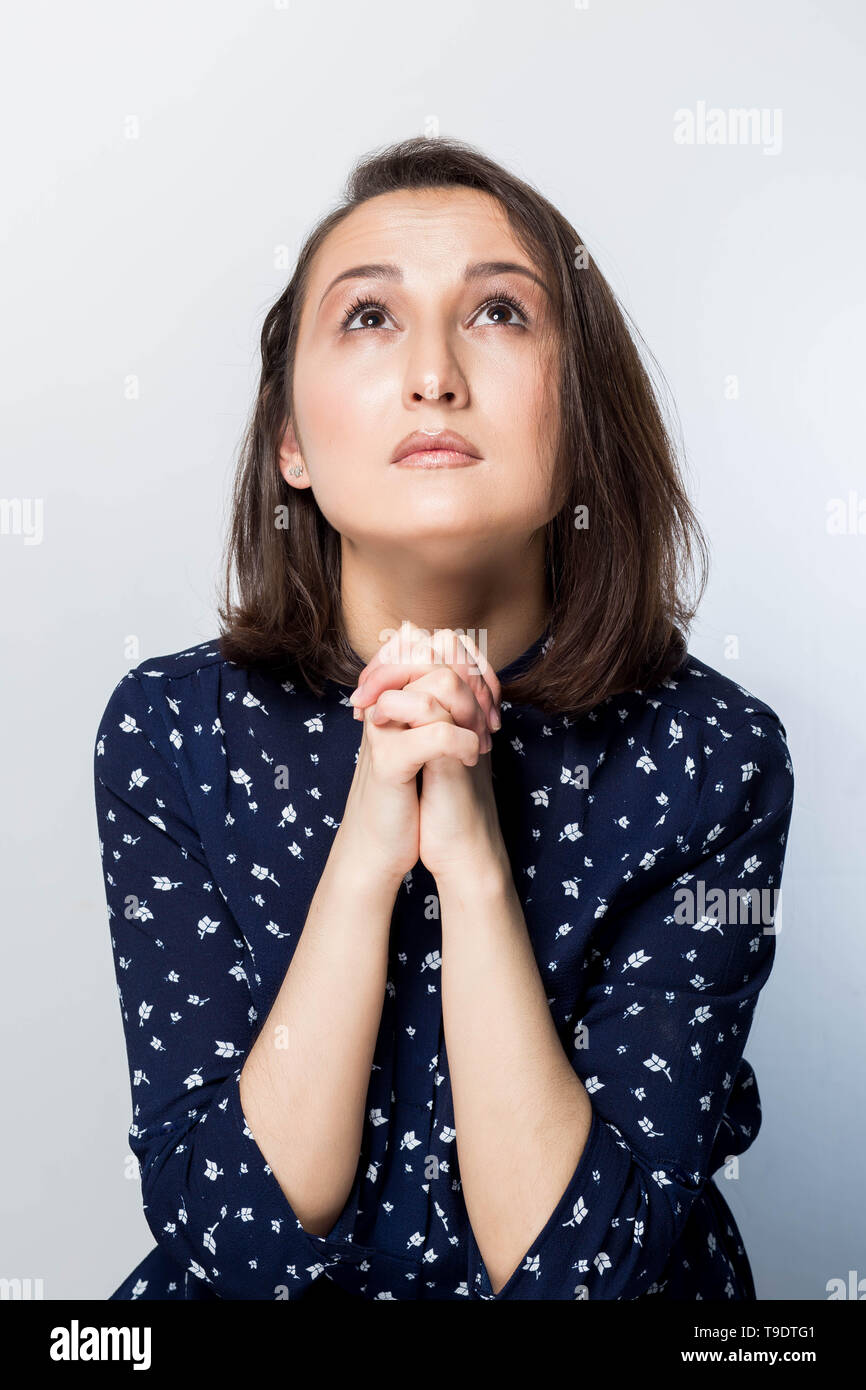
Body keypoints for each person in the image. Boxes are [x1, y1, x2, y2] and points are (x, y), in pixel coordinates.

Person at [93, 135, 795, 1301]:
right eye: (367, 317)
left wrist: (468, 854)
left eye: (499, 315)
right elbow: (238, 1245)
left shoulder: (711, 757)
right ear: (289, 441)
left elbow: (581, 1274)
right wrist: (369, 848)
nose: (432, 375)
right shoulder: (173, 730)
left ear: (583, 418)